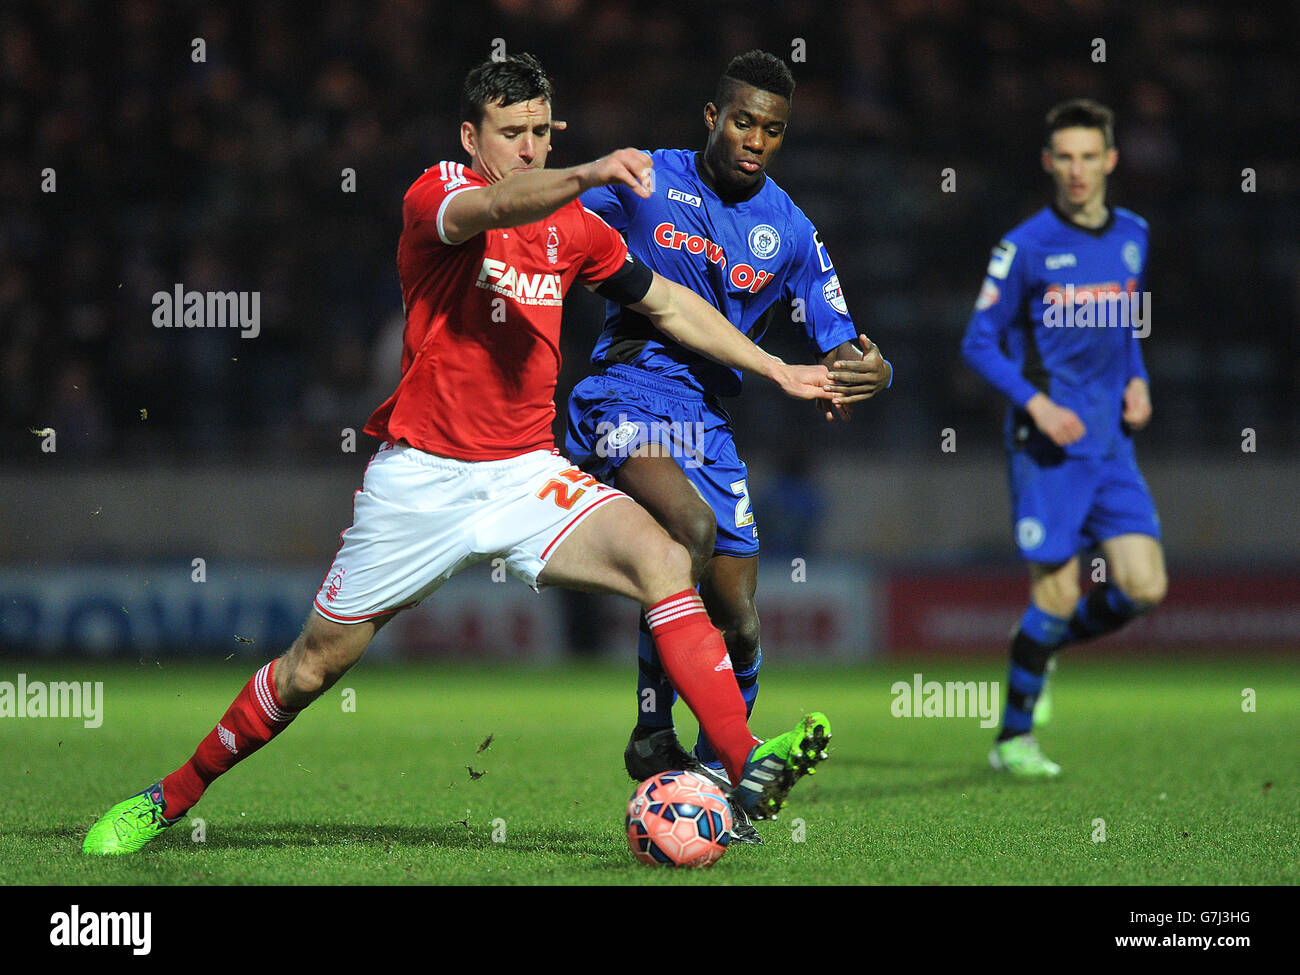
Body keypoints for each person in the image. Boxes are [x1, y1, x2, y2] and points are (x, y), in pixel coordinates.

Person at [83, 53, 835, 855]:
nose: (529, 147)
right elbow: (502, 201)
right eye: (512, 132)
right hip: (422, 480)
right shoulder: (437, 194)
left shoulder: (576, 229)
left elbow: (672, 306)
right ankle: (167, 796)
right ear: (471, 135)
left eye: (543, 132)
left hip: (525, 474)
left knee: (664, 556)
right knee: (309, 669)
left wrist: (779, 367)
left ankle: (743, 759)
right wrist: (586, 172)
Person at [564, 51, 891, 842]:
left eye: (772, 129)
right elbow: (549, 216)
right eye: (743, 120)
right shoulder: (642, 179)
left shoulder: (793, 232)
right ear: (711, 117)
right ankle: (652, 727)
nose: (755, 139)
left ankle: (720, 778)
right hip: (624, 391)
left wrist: (871, 369)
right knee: (688, 531)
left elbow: (845, 339)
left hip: (706, 420)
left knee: (739, 618)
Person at [961, 98, 1167, 777]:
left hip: (1112, 444)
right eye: (1065, 158)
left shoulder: (1133, 235)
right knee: (1055, 592)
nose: (1078, 171)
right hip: (1046, 446)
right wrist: (1038, 404)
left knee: (1143, 585)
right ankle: (1011, 740)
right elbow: (979, 342)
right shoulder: (1024, 247)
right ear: (1050, 164)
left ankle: (1040, 651)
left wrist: (1136, 380)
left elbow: (1125, 328)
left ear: (1110, 160)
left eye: (1090, 157)